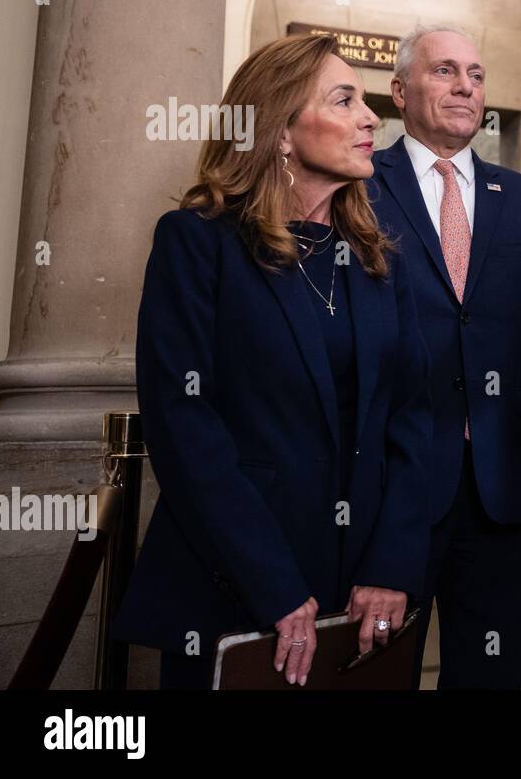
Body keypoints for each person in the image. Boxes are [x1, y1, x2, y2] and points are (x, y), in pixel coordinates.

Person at [113, 34, 435, 689]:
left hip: (364, 598)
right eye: (344, 100)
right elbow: (185, 428)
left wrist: (392, 566)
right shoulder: (197, 242)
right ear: (280, 131)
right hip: (235, 589)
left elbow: (414, 421)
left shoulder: (380, 259)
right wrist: (275, 588)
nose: (372, 118)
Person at [369, 25, 521, 689]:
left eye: (476, 73)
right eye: (444, 71)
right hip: (385, 484)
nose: (465, 85)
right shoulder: (356, 187)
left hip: (494, 482)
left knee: (488, 671)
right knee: (377, 666)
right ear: (400, 91)